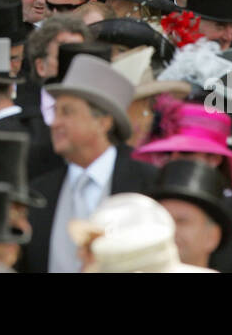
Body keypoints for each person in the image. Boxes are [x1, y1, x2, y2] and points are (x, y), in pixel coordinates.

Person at [25, 54, 157, 273]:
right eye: (54, 112)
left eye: (67, 112)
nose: (55, 123)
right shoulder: (40, 192)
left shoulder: (148, 184)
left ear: (103, 122)